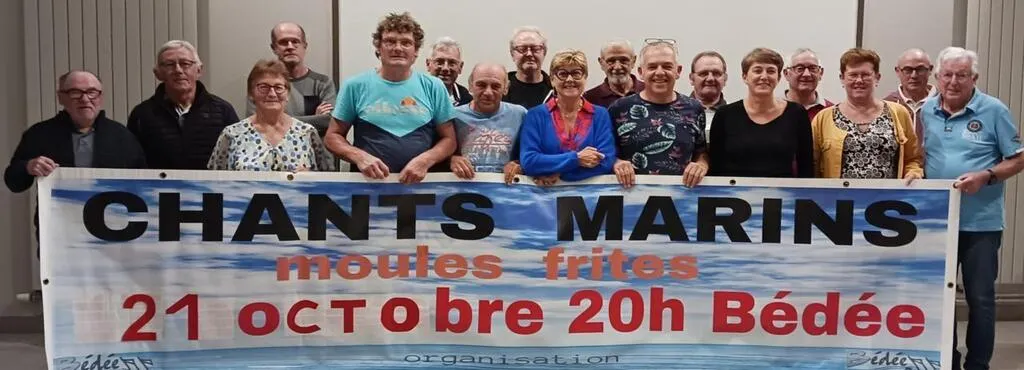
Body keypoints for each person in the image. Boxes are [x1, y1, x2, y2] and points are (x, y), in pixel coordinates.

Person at [922, 46, 1024, 370]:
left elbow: (1019, 157)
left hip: (981, 224)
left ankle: (978, 364)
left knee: (980, 300)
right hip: (938, 222)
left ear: (974, 78)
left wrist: (987, 175)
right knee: (941, 299)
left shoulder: (993, 110)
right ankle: (946, 360)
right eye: (947, 74)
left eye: (961, 75)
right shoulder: (924, 111)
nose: (953, 81)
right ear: (937, 77)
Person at [4, 70, 146, 253]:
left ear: (101, 97)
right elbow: (13, 182)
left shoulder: (123, 137)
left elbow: (143, 185)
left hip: (113, 237)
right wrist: (28, 166)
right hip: (59, 237)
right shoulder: (39, 134)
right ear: (61, 97)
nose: (85, 99)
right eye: (75, 92)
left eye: (92, 92)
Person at [324, 12, 456, 184]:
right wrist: (359, 157)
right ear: (379, 48)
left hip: (419, 189)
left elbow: (449, 140)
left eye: (406, 43)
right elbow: (332, 137)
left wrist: (425, 161)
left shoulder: (434, 87)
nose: (398, 48)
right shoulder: (355, 86)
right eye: (390, 41)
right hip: (367, 188)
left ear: (416, 51)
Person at [810, 48, 922, 180]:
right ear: (842, 78)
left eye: (865, 75)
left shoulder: (898, 113)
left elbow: (913, 159)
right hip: (840, 199)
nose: (859, 80)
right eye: (853, 75)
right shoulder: (823, 119)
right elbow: (813, 166)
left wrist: (913, 173)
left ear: (877, 77)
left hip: (887, 199)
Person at [608, 40, 707, 188]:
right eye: (652, 67)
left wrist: (701, 165)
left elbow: (701, 151)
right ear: (641, 72)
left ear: (678, 71)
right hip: (630, 199)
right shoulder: (619, 108)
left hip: (682, 200)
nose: (659, 72)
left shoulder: (694, 109)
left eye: (667, 66)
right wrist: (616, 162)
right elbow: (604, 152)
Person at [128, 40, 239, 170]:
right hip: (159, 188)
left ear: (199, 70)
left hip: (211, 189)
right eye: (169, 64)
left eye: (185, 64)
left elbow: (236, 159)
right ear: (158, 73)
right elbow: (133, 163)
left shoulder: (223, 111)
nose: (178, 70)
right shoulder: (142, 115)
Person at [208, 60, 335, 172]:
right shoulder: (231, 135)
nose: (272, 94)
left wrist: (309, 177)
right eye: (264, 87)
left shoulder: (307, 133)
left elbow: (327, 180)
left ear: (288, 94)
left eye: (279, 87)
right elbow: (214, 181)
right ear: (251, 93)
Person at [708, 48, 813, 178]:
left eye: (771, 71)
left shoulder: (796, 114)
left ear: (779, 77)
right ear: (745, 77)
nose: (764, 76)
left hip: (784, 196)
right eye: (757, 70)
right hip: (733, 196)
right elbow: (715, 168)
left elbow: (806, 169)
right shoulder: (724, 115)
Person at [519, 49, 615, 185]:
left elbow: (606, 161)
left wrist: (559, 175)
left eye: (576, 73)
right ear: (552, 79)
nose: (570, 80)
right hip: (544, 200)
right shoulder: (535, 115)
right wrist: (576, 159)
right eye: (562, 74)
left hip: (589, 199)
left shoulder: (600, 115)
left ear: (585, 77)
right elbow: (529, 161)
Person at [245, 22, 337, 137]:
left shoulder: (322, 83)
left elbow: (328, 121)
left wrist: (276, 118)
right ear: (274, 48)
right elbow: (256, 123)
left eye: (295, 41)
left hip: (314, 152)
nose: (290, 47)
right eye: (283, 42)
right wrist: (314, 118)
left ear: (305, 46)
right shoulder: (262, 85)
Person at [450, 62, 527, 185]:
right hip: (464, 188)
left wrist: (519, 164)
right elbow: (436, 149)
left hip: (506, 191)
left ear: (506, 88)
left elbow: (533, 152)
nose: (488, 92)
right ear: (470, 86)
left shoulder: (520, 114)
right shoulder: (453, 116)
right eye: (481, 85)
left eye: (496, 86)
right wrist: (451, 160)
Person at [884, 48, 937, 143]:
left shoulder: (944, 103)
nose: (914, 75)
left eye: (920, 69)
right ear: (897, 71)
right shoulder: (887, 106)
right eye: (907, 70)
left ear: (930, 70)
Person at [583, 39, 644, 108]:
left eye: (624, 60)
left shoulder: (649, 91)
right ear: (601, 63)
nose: (617, 67)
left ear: (633, 61)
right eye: (611, 61)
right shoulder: (589, 99)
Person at [503, 26, 552, 109]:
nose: (529, 54)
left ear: (544, 52)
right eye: (522, 49)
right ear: (512, 54)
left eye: (535, 49)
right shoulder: (500, 88)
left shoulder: (555, 89)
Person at [783, 48, 833, 121]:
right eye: (800, 68)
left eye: (812, 68)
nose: (807, 74)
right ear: (786, 74)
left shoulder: (832, 113)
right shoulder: (771, 110)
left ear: (821, 73)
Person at [688, 50, 728, 134]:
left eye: (716, 73)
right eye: (703, 73)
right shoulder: (676, 115)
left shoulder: (735, 116)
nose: (710, 78)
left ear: (725, 79)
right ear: (692, 79)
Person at [426, 36, 471, 106]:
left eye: (452, 63)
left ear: (460, 67)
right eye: (439, 62)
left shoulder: (469, 102)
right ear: (428, 64)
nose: (445, 68)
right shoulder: (416, 96)